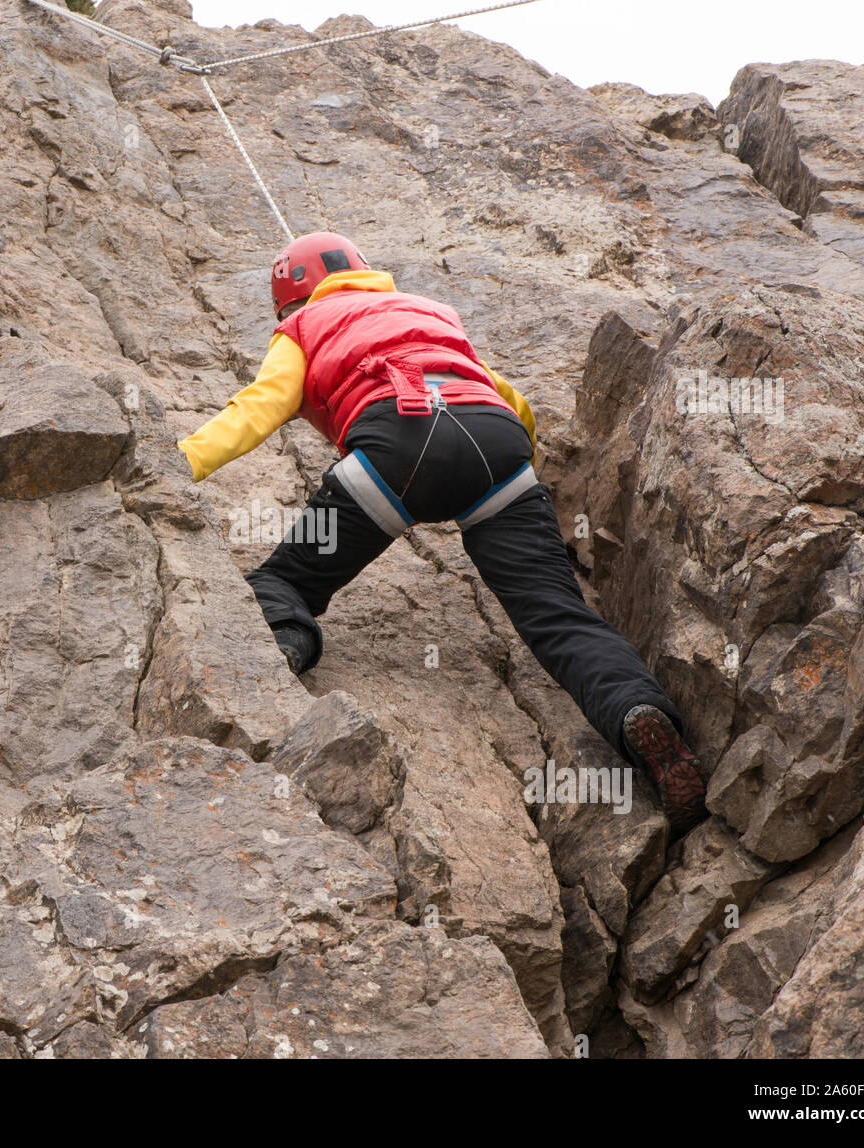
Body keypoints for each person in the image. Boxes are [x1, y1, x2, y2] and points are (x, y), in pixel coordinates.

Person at [176, 232, 707, 834]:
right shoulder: (430, 311)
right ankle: (638, 712)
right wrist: (524, 475)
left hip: (398, 447)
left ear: (289, 302)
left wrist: (180, 463)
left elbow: (259, 406)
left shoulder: (300, 328)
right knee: (559, 615)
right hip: (497, 446)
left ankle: (281, 657)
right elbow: (511, 399)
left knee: (284, 580)